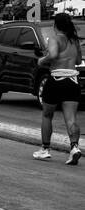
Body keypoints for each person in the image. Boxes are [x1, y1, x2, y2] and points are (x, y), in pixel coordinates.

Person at [34, 12, 82, 165]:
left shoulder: (55, 39)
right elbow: (79, 60)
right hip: (72, 81)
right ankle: (74, 147)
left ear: (56, 25)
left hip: (56, 79)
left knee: (47, 115)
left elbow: (53, 54)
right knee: (71, 118)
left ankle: (45, 149)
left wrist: (42, 60)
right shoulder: (74, 41)